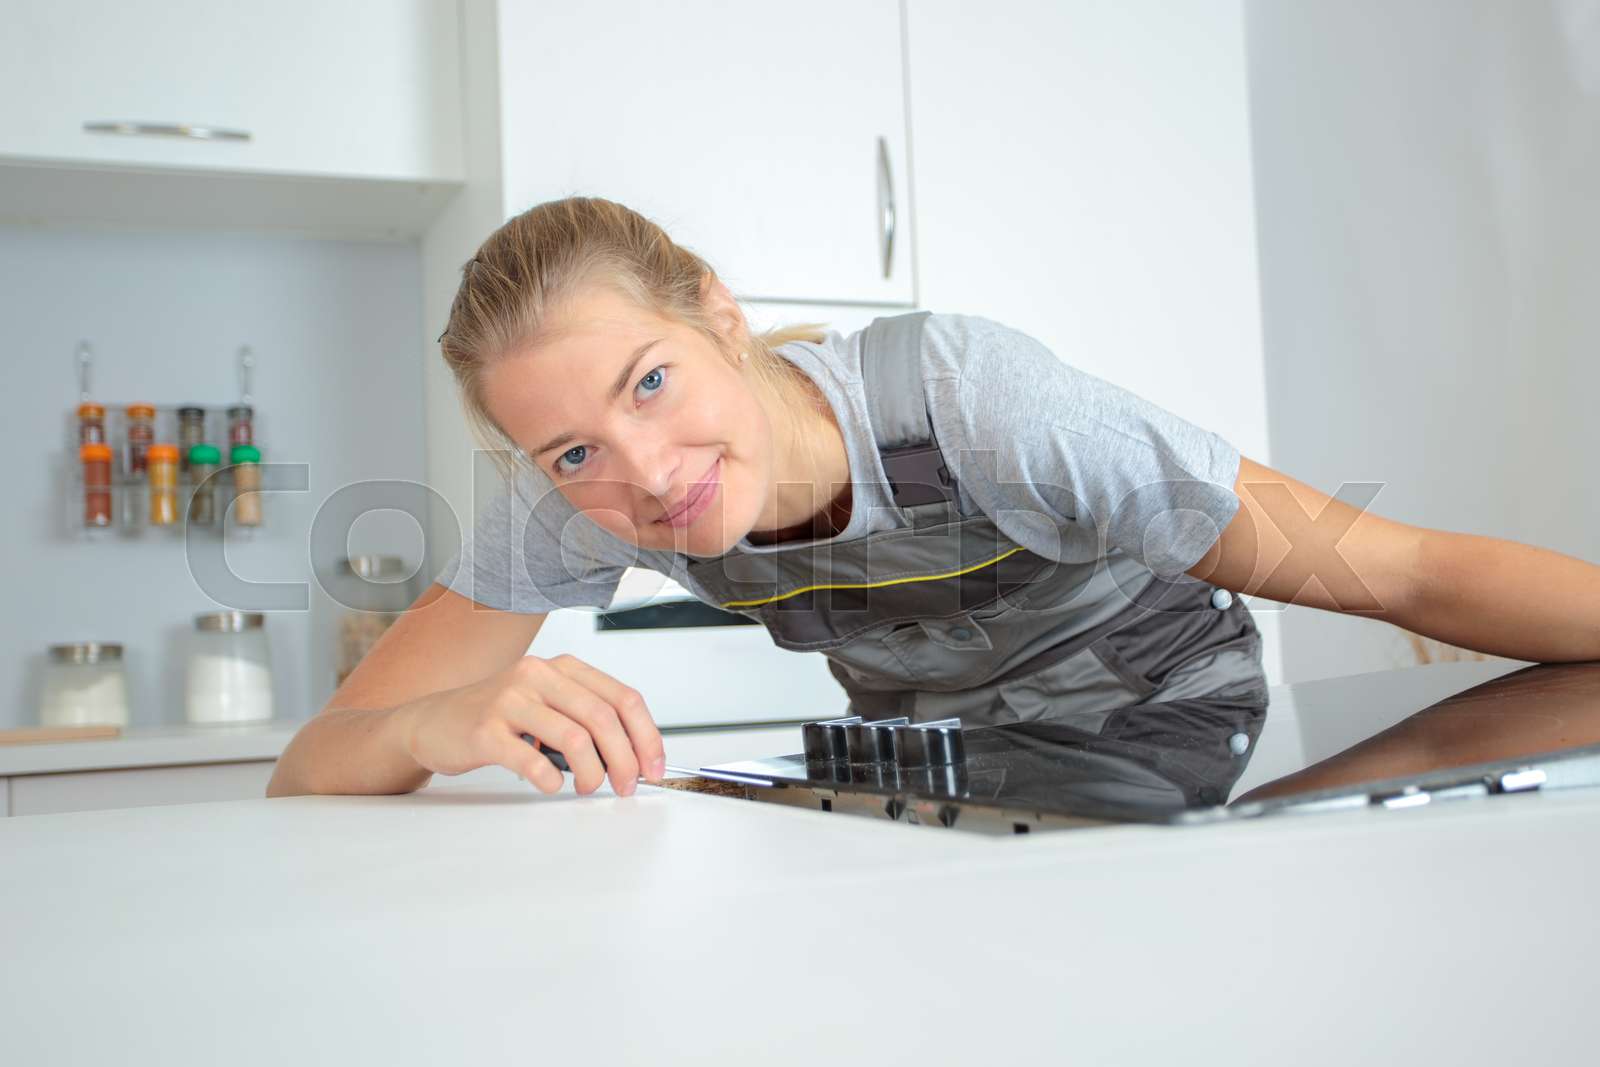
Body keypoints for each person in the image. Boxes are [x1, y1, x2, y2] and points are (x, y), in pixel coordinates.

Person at [267, 196, 1600, 800]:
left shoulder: (973, 403)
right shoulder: (567, 492)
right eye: (569, 452)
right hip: (938, 778)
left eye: (653, 382)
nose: (643, 474)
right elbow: (316, 762)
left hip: (1178, 739)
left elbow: (1400, 569)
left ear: (720, 316)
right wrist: (440, 717)